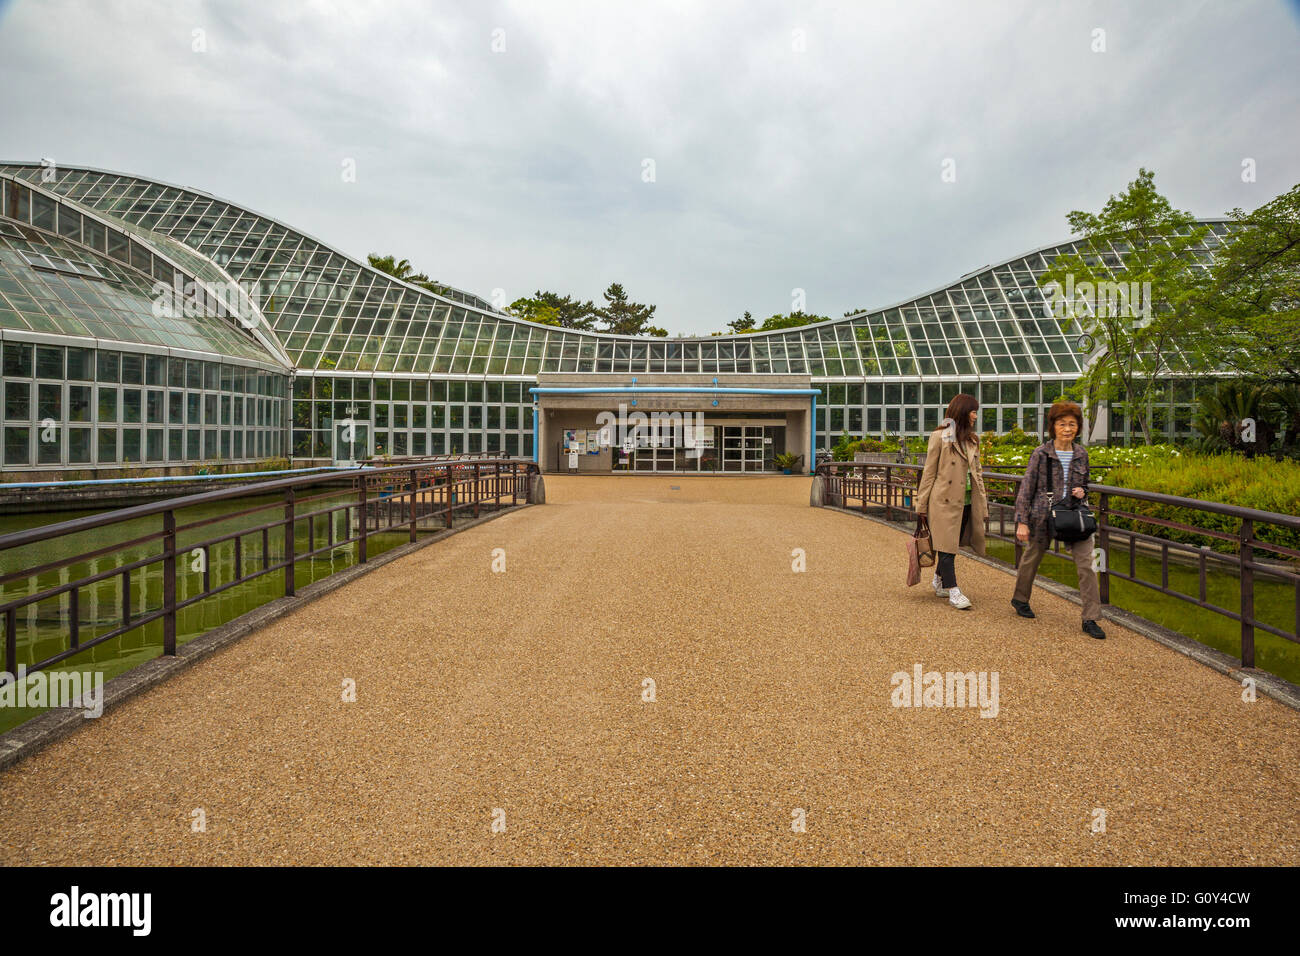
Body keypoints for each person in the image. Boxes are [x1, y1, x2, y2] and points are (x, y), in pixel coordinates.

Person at [1011, 401, 1106, 640]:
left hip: (1075, 516)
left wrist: (1083, 492)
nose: (1067, 429)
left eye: (1072, 424)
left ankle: (1091, 617)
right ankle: (1020, 599)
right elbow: (1026, 488)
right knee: (1032, 558)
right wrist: (1022, 521)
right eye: (1062, 424)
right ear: (1053, 426)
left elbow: (1085, 484)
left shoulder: (1081, 453)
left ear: (1078, 427)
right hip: (1043, 516)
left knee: (1088, 565)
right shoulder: (1041, 453)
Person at [915, 394, 987, 610]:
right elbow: (929, 472)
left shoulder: (972, 440)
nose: (975, 415)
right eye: (973, 411)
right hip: (943, 501)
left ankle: (938, 580)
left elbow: (978, 474)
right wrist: (921, 504)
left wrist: (982, 502)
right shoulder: (941, 436)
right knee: (946, 548)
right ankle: (953, 591)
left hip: (966, 501)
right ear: (962, 412)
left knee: (952, 546)